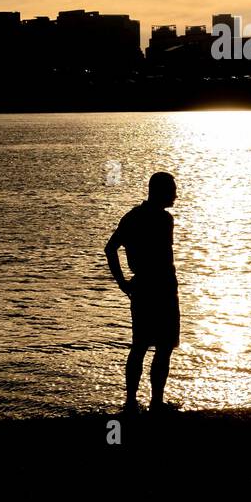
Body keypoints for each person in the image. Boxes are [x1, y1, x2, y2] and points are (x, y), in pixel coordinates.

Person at [104, 171, 180, 415]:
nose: (176, 195)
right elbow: (111, 249)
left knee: (145, 346)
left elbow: (110, 249)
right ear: (161, 191)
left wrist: (123, 283)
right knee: (157, 347)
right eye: (172, 190)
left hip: (147, 287)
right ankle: (150, 403)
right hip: (159, 288)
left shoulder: (134, 217)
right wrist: (122, 283)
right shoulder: (160, 219)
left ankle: (134, 403)